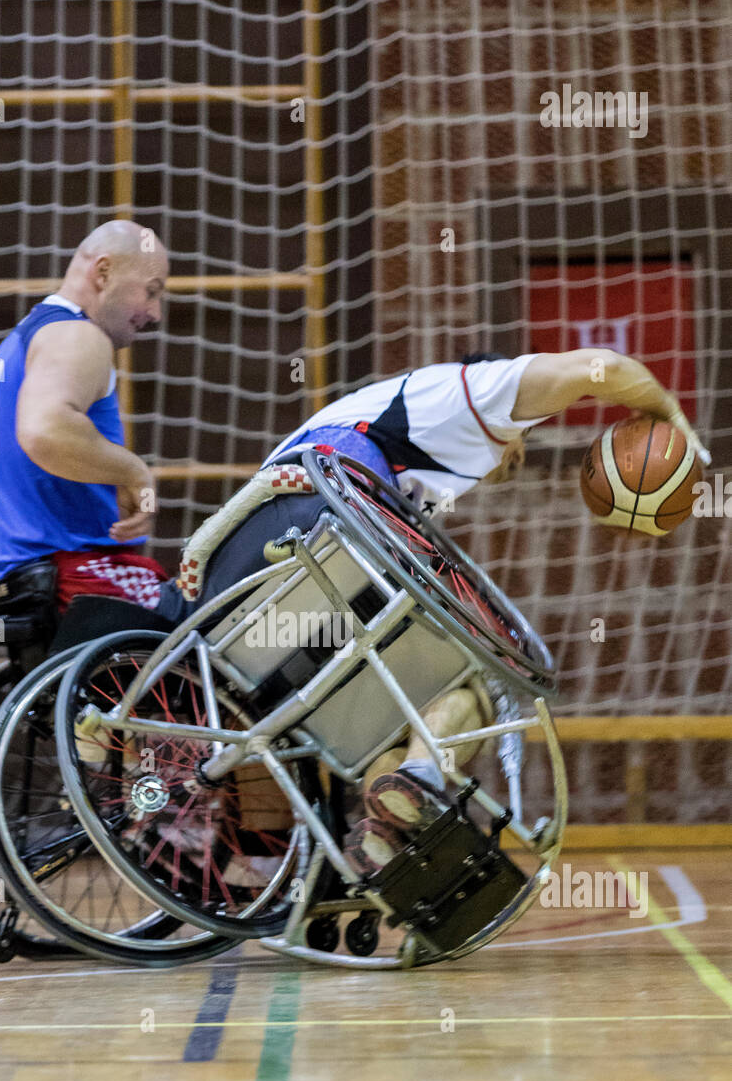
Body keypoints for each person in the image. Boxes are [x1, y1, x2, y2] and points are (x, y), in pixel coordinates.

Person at [255, 347, 710, 873]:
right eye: (523, 438)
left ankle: (386, 822)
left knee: (393, 723)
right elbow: (605, 368)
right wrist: (668, 413)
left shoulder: (411, 451)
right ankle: (423, 774)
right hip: (324, 516)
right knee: (482, 682)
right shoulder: (480, 390)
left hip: (270, 575)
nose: (518, 453)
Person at [0, 219, 187, 621]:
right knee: (223, 626)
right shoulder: (78, 335)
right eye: (151, 292)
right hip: (74, 574)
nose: (155, 313)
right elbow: (45, 430)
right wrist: (135, 473)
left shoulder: (22, 340)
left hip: (23, 579)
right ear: (103, 273)